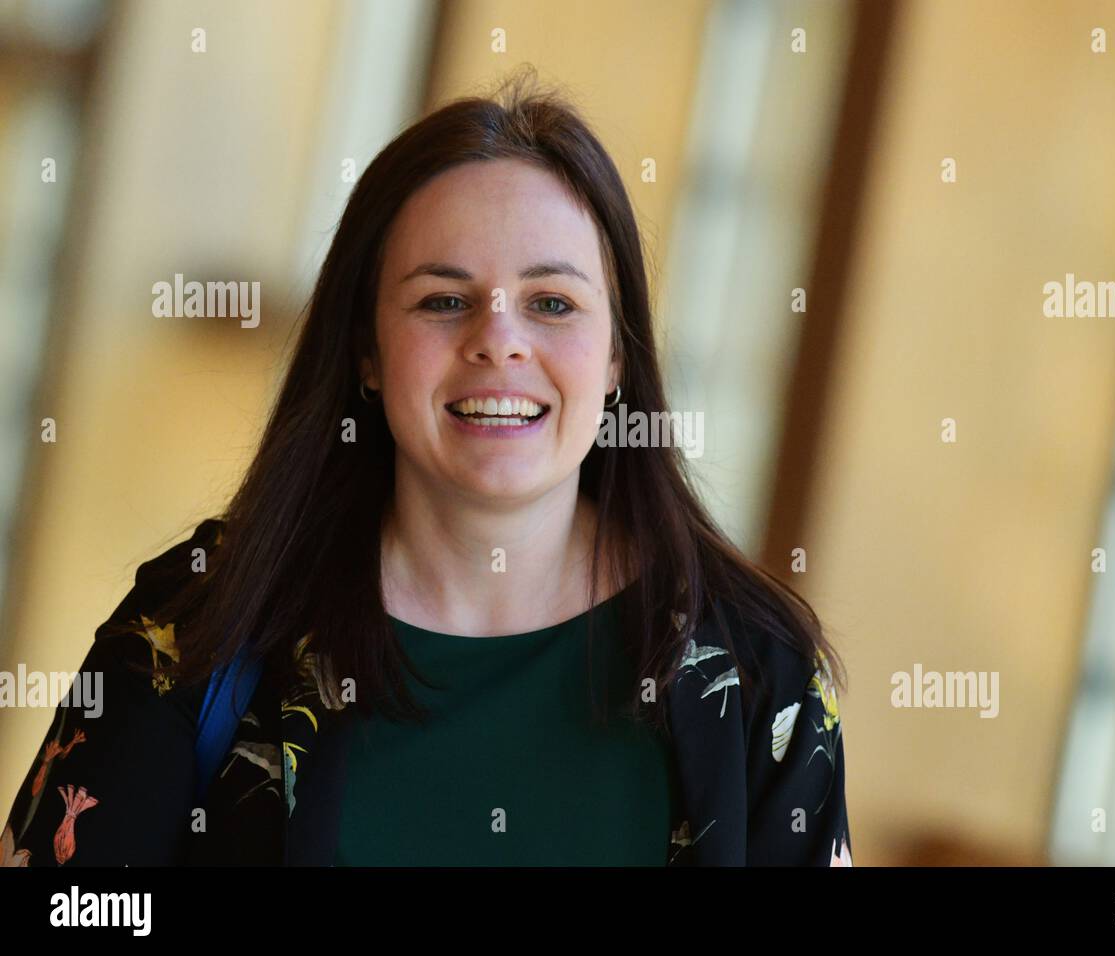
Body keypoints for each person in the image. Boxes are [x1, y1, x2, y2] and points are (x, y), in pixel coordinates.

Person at [1, 70, 851, 867]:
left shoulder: (761, 677)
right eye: (443, 300)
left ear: (620, 361)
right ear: (367, 352)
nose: (499, 339)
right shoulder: (200, 619)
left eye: (552, 303)